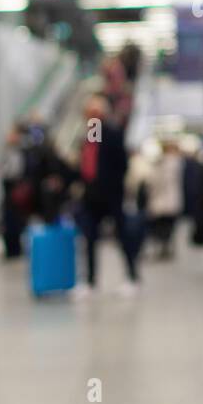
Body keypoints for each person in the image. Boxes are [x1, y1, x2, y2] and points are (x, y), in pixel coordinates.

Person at [76, 94, 139, 296]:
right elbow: (88, 163)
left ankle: (132, 277)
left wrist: (112, 185)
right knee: (90, 238)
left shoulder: (111, 133)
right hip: (92, 196)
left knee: (122, 236)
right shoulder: (91, 136)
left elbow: (121, 164)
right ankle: (91, 281)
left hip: (111, 195)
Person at [144, 139, 185, 259]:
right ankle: (166, 248)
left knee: (162, 227)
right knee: (168, 227)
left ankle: (163, 248)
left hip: (162, 201)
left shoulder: (164, 164)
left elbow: (157, 182)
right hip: (170, 201)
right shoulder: (177, 163)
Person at [0, 127, 27, 258]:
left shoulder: (20, 152)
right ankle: (10, 249)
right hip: (9, 188)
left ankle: (16, 248)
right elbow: (2, 171)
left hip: (17, 189)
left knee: (16, 221)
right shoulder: (6, 153)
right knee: (9, 221)